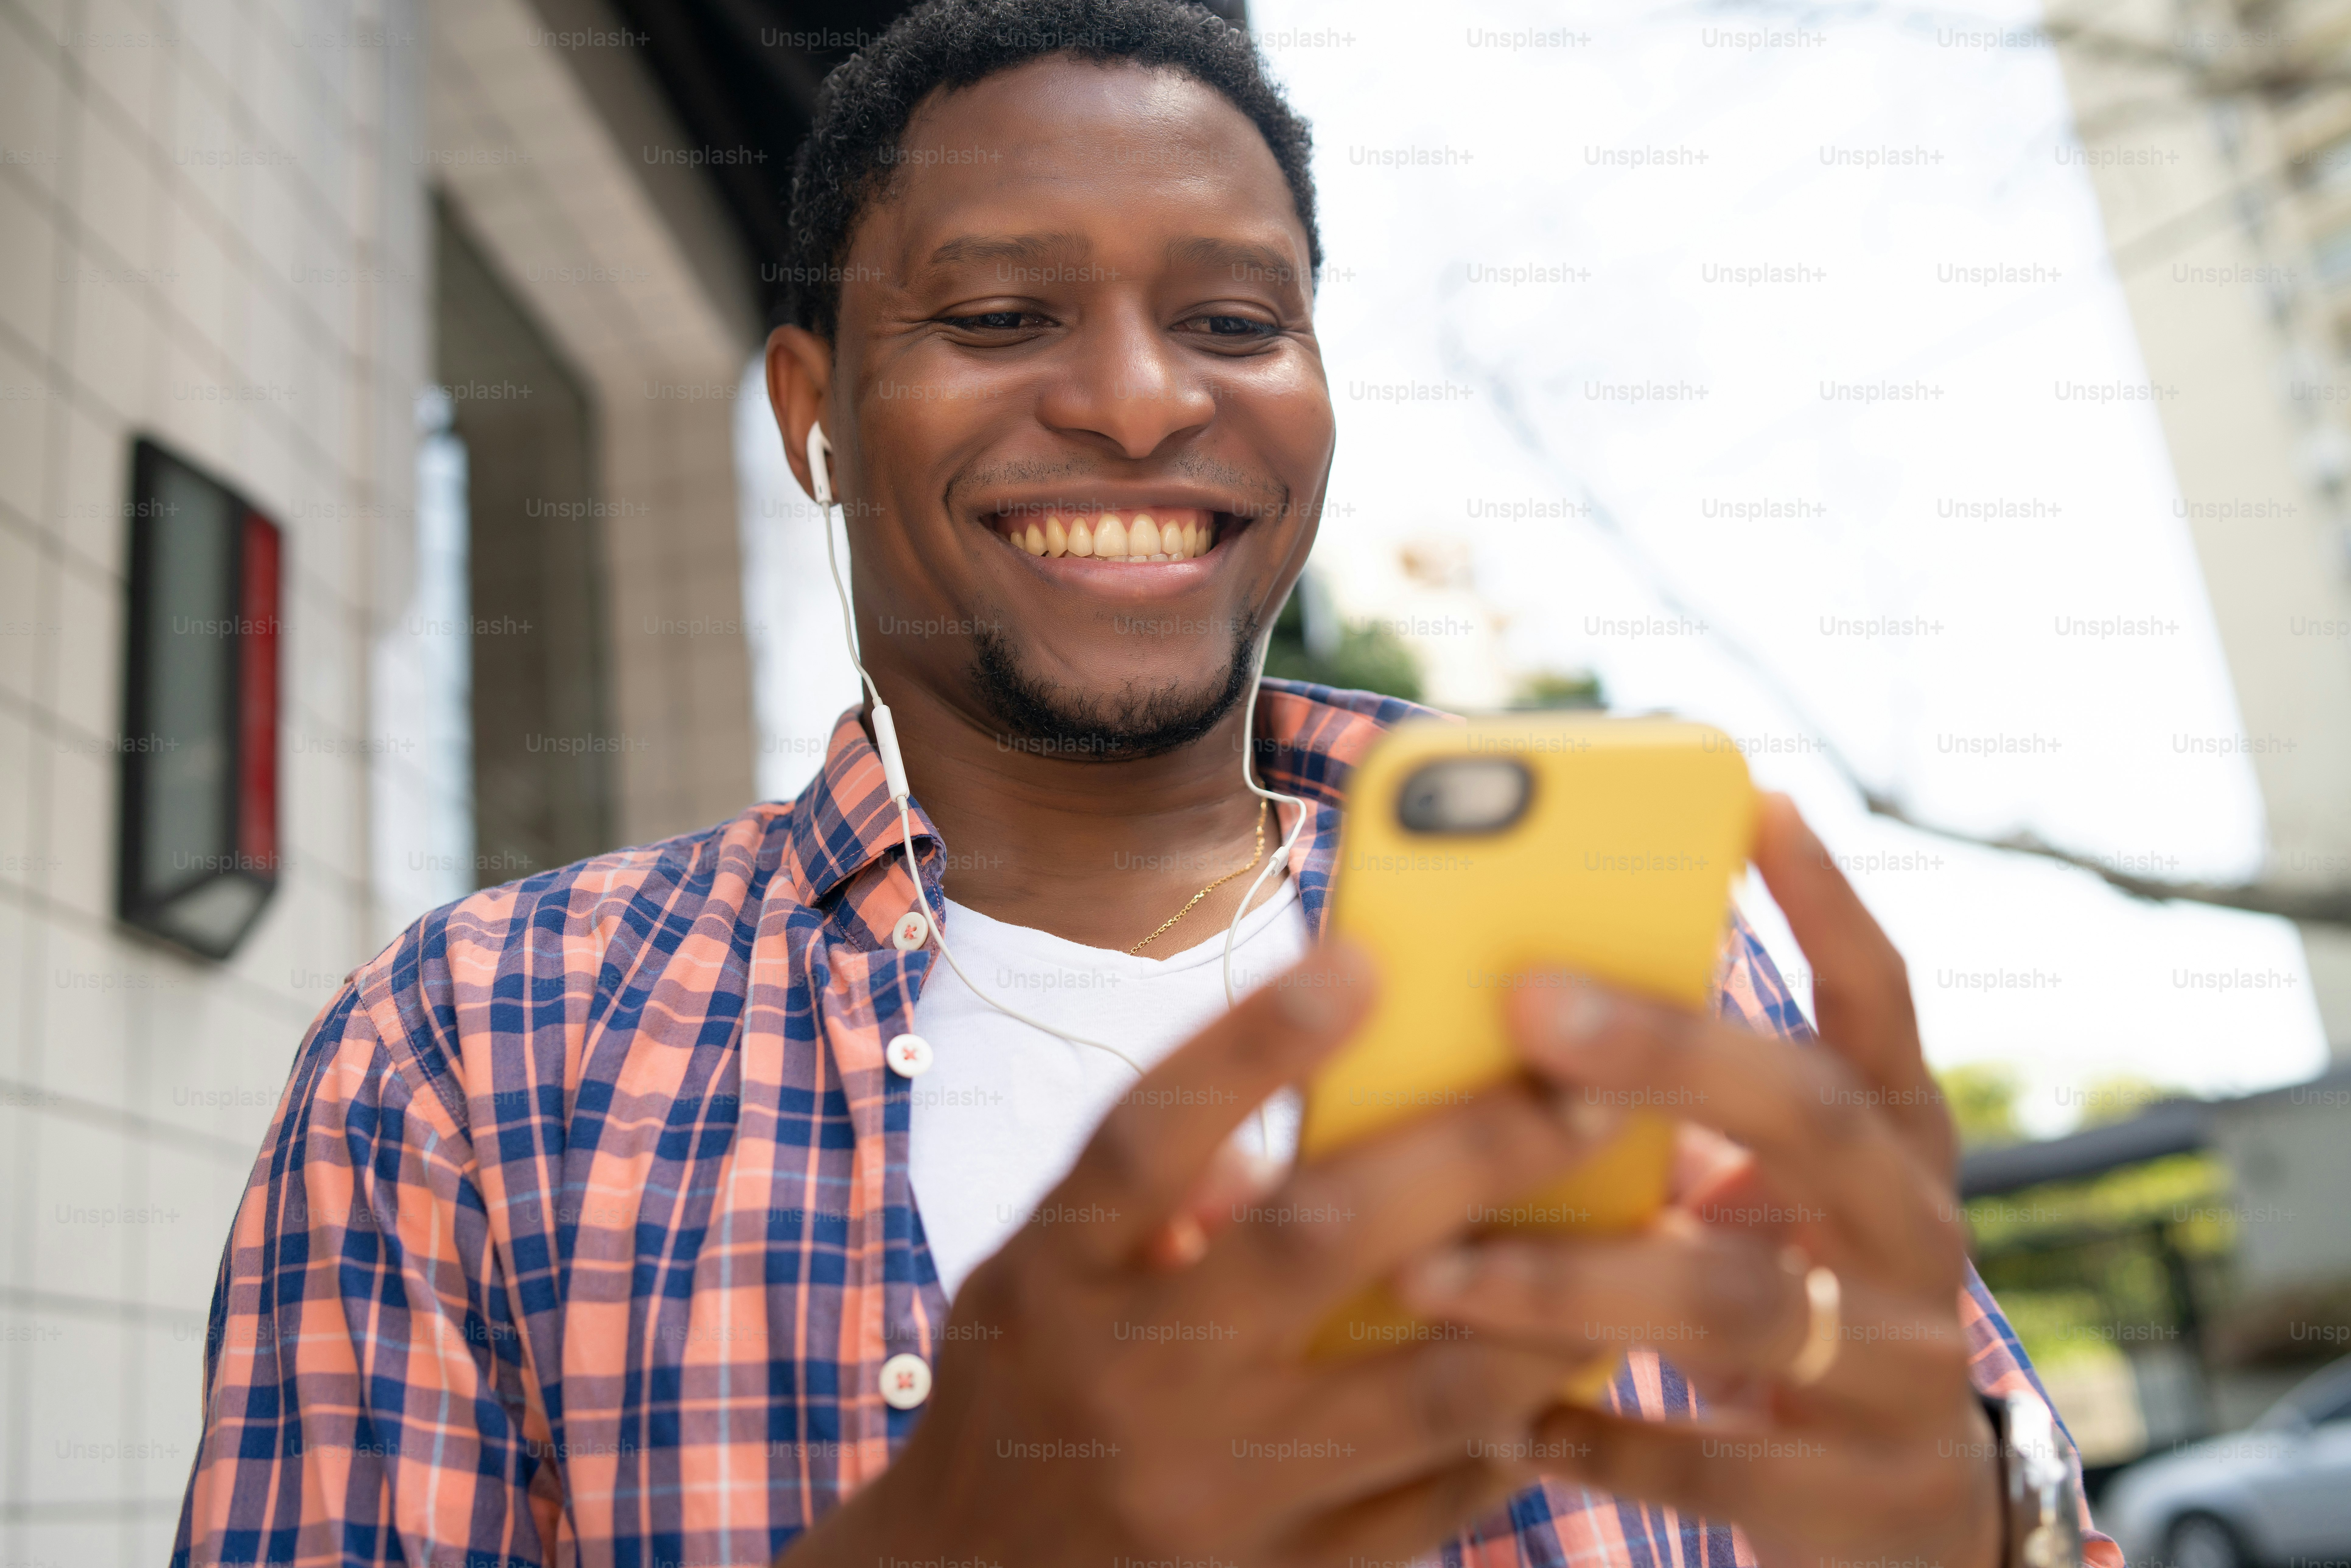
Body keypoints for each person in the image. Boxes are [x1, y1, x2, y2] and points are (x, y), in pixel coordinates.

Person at [173, 2, 2118, 1564]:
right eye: (1003, 315)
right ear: (813, 413)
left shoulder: (1642, 956)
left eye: (1234, 320)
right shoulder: (472, 1050)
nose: (1137, 397)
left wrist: (1970, 1520)